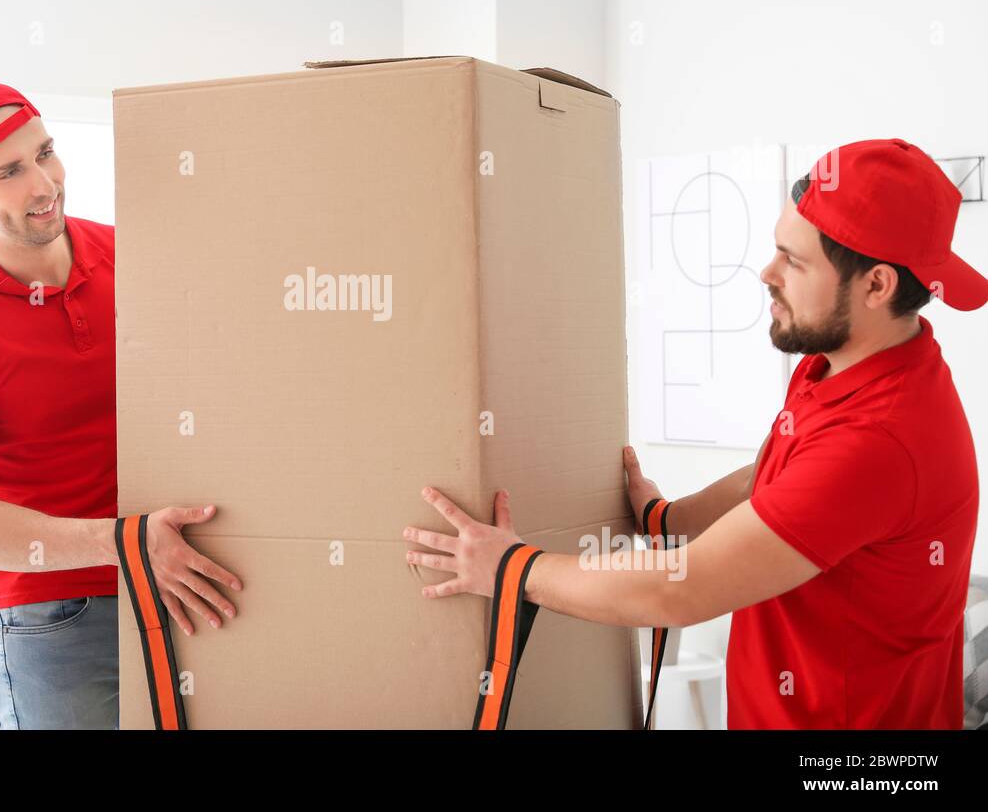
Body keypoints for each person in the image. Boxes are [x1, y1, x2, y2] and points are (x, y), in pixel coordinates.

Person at [405, 138, 983, 728]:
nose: (767, 273)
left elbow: (680, 592)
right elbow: (774, 474)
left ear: (877, 286)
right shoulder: (843, 363)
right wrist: (667, 518)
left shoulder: (880, 442)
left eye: (794, 260)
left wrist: (511, 569)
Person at [0, 83, 241, 729]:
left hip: (181, 584)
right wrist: (127, 544)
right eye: (10, 172)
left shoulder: (132, 258)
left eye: (46, 153)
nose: (45, 183)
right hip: (52, 621)